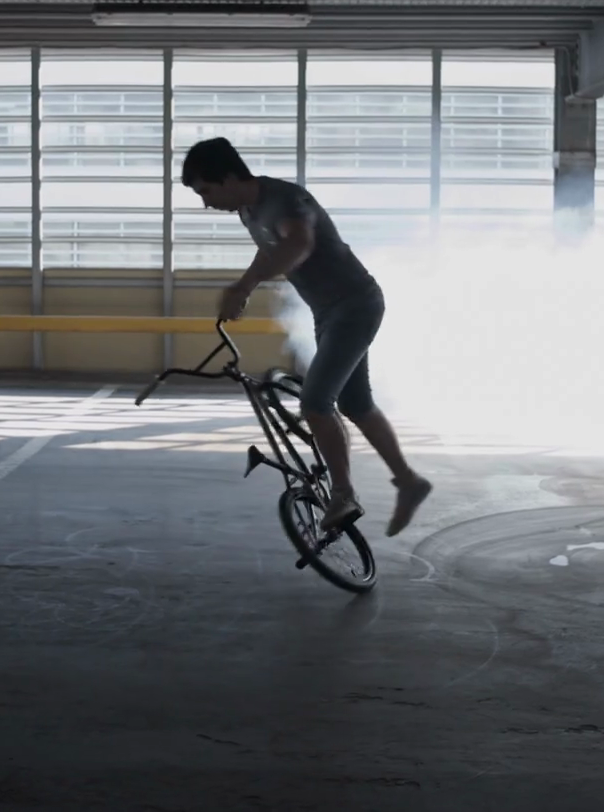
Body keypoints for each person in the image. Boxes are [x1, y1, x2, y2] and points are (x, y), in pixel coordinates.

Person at [181, 136, 432, 536]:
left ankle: (343, 493)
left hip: (355, 304)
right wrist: (245, 284)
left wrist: (244, 287)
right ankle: (408, 481)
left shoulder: (286, 200)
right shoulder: (248, 211)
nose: (206, 203)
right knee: (356, 403)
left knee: (316, 402)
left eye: (207, 191)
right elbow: (270, 250)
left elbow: (299, 243)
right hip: (328, 312)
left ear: (229, 177)